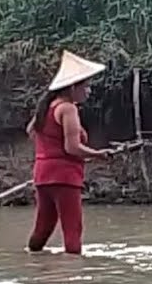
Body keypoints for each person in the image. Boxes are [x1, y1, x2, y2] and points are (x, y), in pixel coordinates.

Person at [25, 51, 114, 255]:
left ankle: (32, 262)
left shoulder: (46, 107)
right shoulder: (68, 109)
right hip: (64, 177)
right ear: (73, 87)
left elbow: (31, 131)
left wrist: (49, 152)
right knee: (72, 230)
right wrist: (98, 154)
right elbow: (72, 148)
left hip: (43, 175)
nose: (89, 91)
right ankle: (74, 271)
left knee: (42, 229)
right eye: (86, 86)